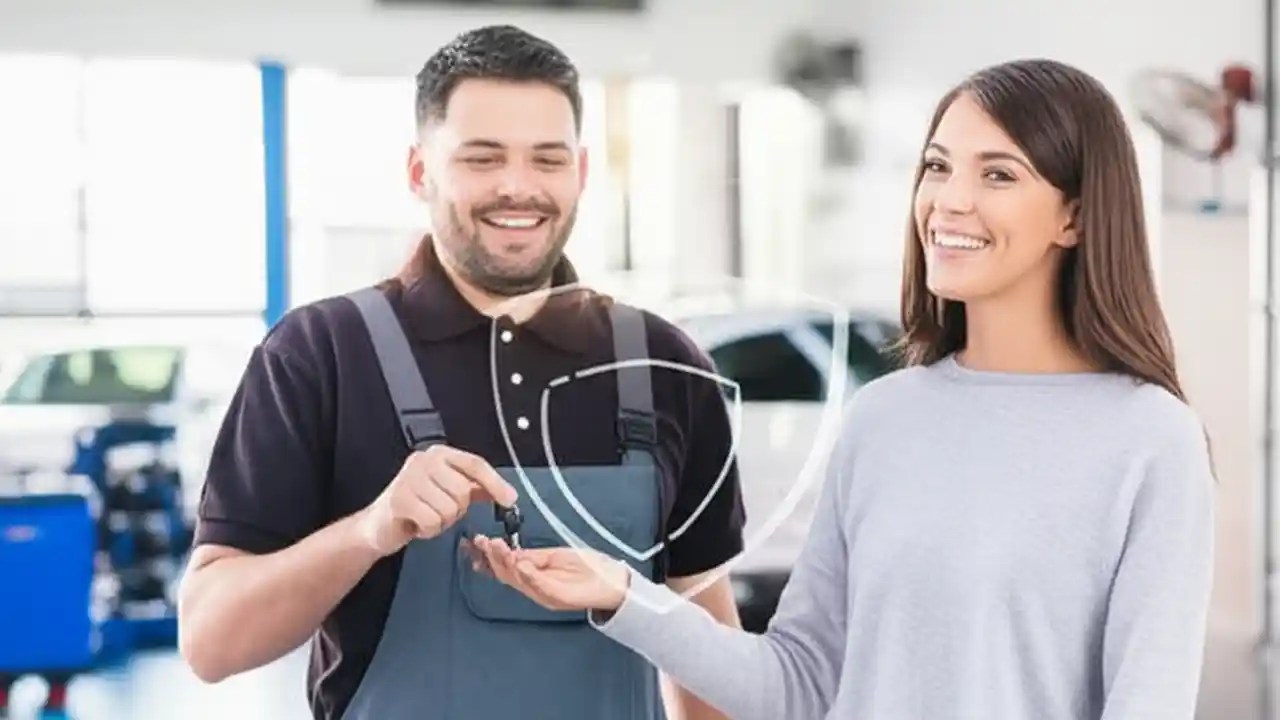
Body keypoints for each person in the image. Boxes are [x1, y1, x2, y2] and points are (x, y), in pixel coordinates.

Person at [472, 58, 1218, 720]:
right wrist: (621, 594)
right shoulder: (883, 417)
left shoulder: (1149, 438)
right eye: (936, 166)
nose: (949, 201)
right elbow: (794, 686)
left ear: (1075, 217)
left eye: (997, 174)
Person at [176, 24, 746, 720]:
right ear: (420, 172)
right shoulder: (319, 354)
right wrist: (370, 530)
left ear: (582, 172)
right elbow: (210, 641)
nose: (517, 187)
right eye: (481, 159)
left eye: (547, 159)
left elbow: (711, 662)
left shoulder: (665, 369)